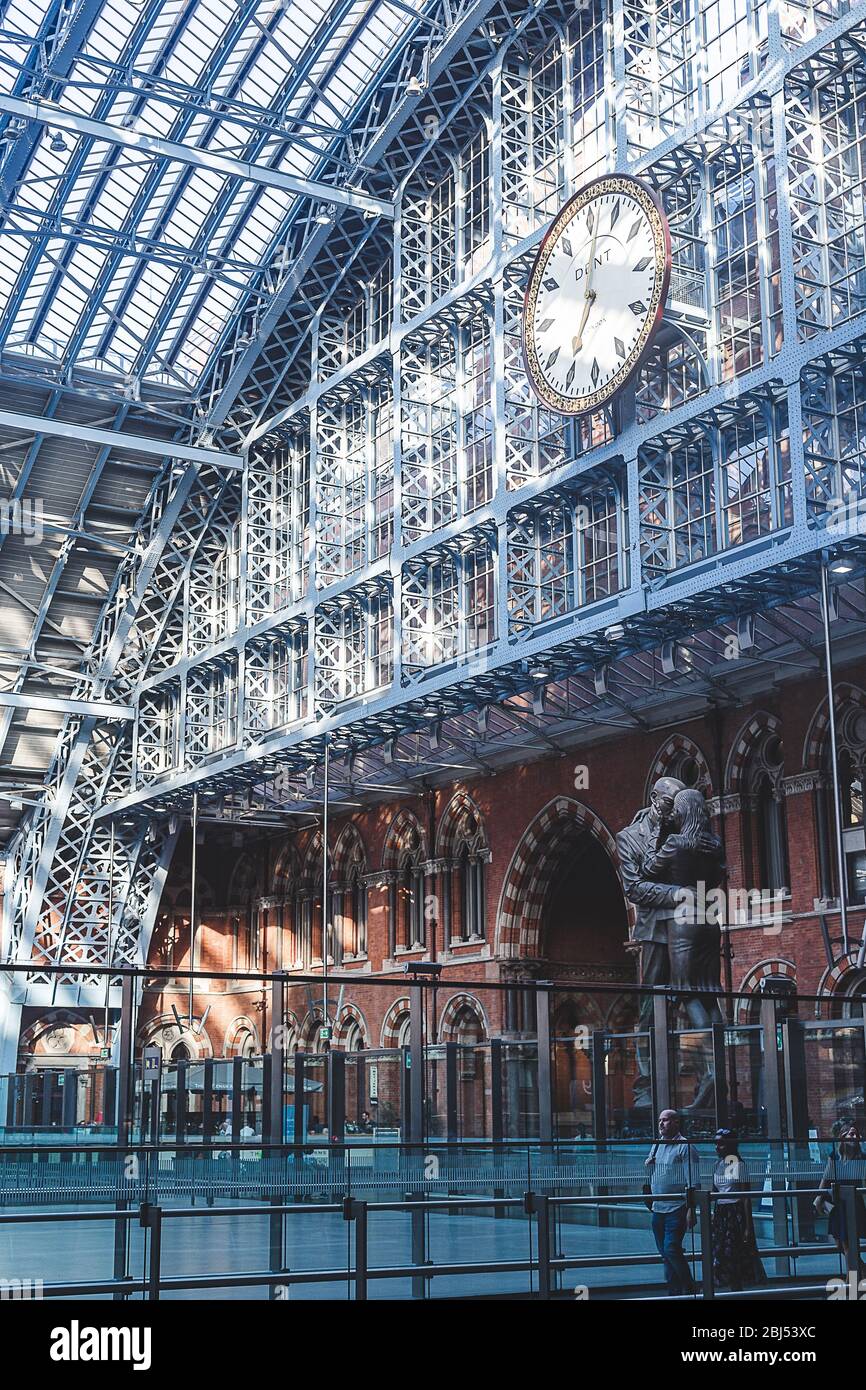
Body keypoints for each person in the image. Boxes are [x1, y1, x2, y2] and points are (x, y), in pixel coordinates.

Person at [616, 777, 685, 1104]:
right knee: (650, 1008)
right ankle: (647, 1086)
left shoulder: (685, 823)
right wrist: (678, 894)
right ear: (655, 799)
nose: (674, 810)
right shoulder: (628, 838)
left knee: (694, 997)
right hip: (655, 928)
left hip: (691, 923)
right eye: (671, 803)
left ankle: (694, 1077)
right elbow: (635, 889)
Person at [645, 1108, 696, 1296]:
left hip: (677, 1207)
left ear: (676, 1123)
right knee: (666, 1254)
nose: (661, 1124)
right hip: (658, 1208)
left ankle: (689, 1287)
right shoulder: (657, 1144)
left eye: (665, 1120)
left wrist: (691, 1209)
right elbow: (653, 1176)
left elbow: (692, 1180)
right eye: (660, 1120)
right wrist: (648, 1167)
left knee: (671, 1249)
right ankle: (674, 1291)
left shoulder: (685, 1146)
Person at [710, 1129, 765, 1291]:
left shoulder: (739, 1165)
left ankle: (736, 1286)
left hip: (735, 1211)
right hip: (721, 1211)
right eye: (716, 1143)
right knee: (720, 1250)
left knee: (732, 1251)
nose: (717, 1147)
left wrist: (748, 1226)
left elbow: (745, 1196)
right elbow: (715, 1192)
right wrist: (713, 1213)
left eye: (721, 1143)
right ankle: (728, 1284)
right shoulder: (717, 1164)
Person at [816, 1119, 866, 1275]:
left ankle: (852, 1279)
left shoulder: (861, 1158)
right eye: (851, 1133)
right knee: (841, 1245)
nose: (855, 1136)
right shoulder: (835, 1156)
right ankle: (861, 1271)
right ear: (843, 1137)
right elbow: (826, 1176)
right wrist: (819, 1196)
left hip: (853, 1204)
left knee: (849, 1245)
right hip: (839, 1204)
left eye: (856, 1134)